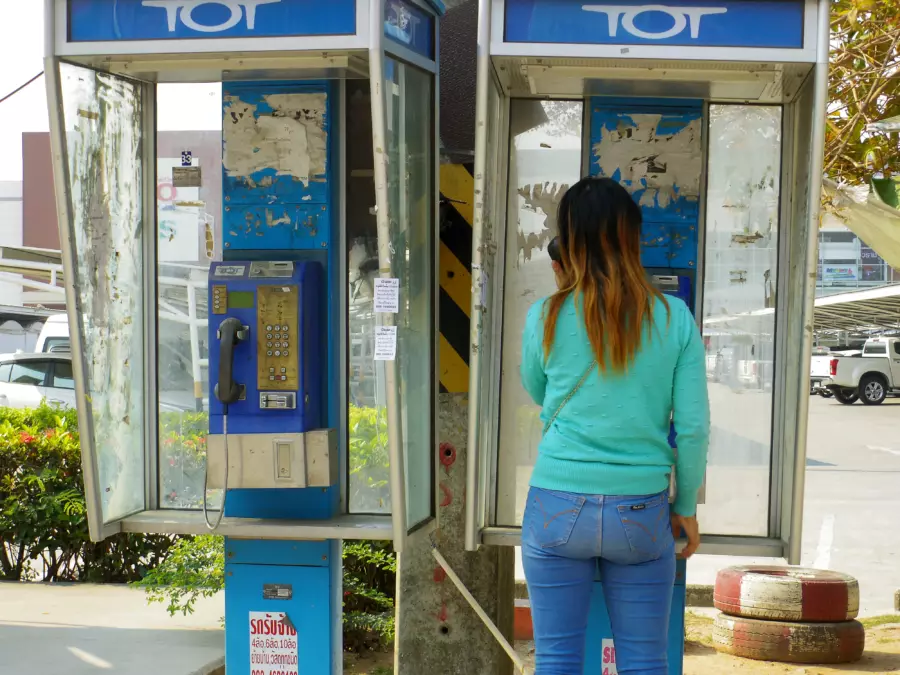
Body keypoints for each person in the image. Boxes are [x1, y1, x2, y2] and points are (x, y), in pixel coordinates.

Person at [521, 177, 710, 675]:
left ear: (570, 240)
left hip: (556, 504)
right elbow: (692, 429)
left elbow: (541, 393)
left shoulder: (545, 314)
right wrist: (685, 506)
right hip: (641, 511)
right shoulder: (675, 317)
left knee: (558, 661)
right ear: (632, 238)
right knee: (646, 662)